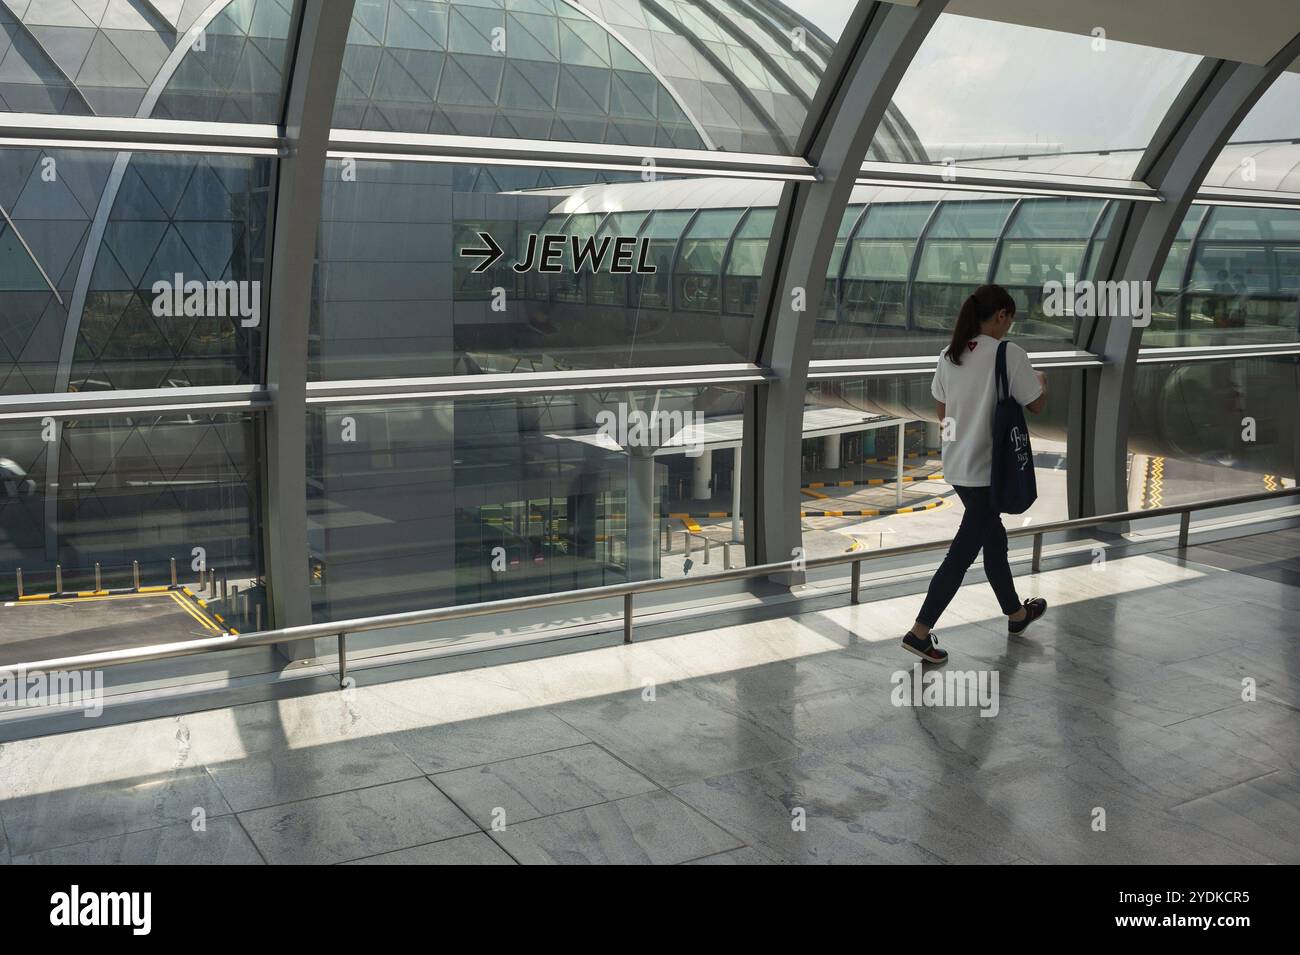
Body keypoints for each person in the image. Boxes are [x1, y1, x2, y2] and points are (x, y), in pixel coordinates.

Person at [902, 284, 1049, 664]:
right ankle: (920, 632)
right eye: (1009, 319)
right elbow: (1035, 404)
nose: (1009, 326)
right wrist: (1042, 382)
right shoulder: (1008, 353)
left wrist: (965, 431)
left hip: (959, 467)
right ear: (1001, 315)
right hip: (990, 471)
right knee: (962, 554)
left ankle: (1016, 615)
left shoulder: (949, 356)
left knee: (993, 541)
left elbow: (941, 410)